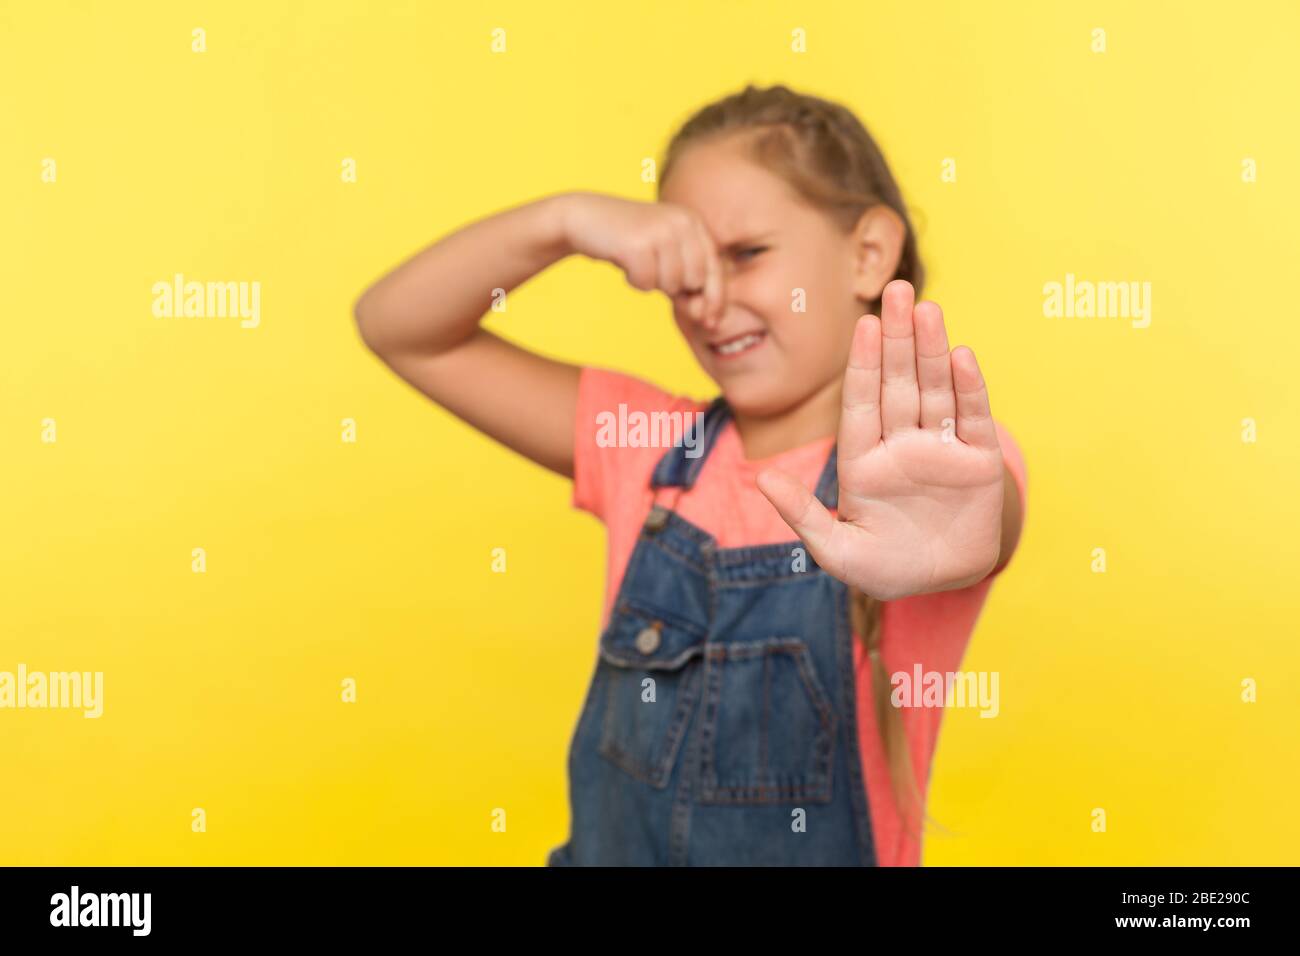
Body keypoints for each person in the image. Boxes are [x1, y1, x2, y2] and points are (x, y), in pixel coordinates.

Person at [353, 83, 1027, 866]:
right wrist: (565, 221)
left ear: (868, 253)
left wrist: (961, 525)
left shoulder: (929, 476)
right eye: (687, 274)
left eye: (745, 254)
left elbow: (981, 520)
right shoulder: (644, 445)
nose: (708, 301)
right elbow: (399, 328)